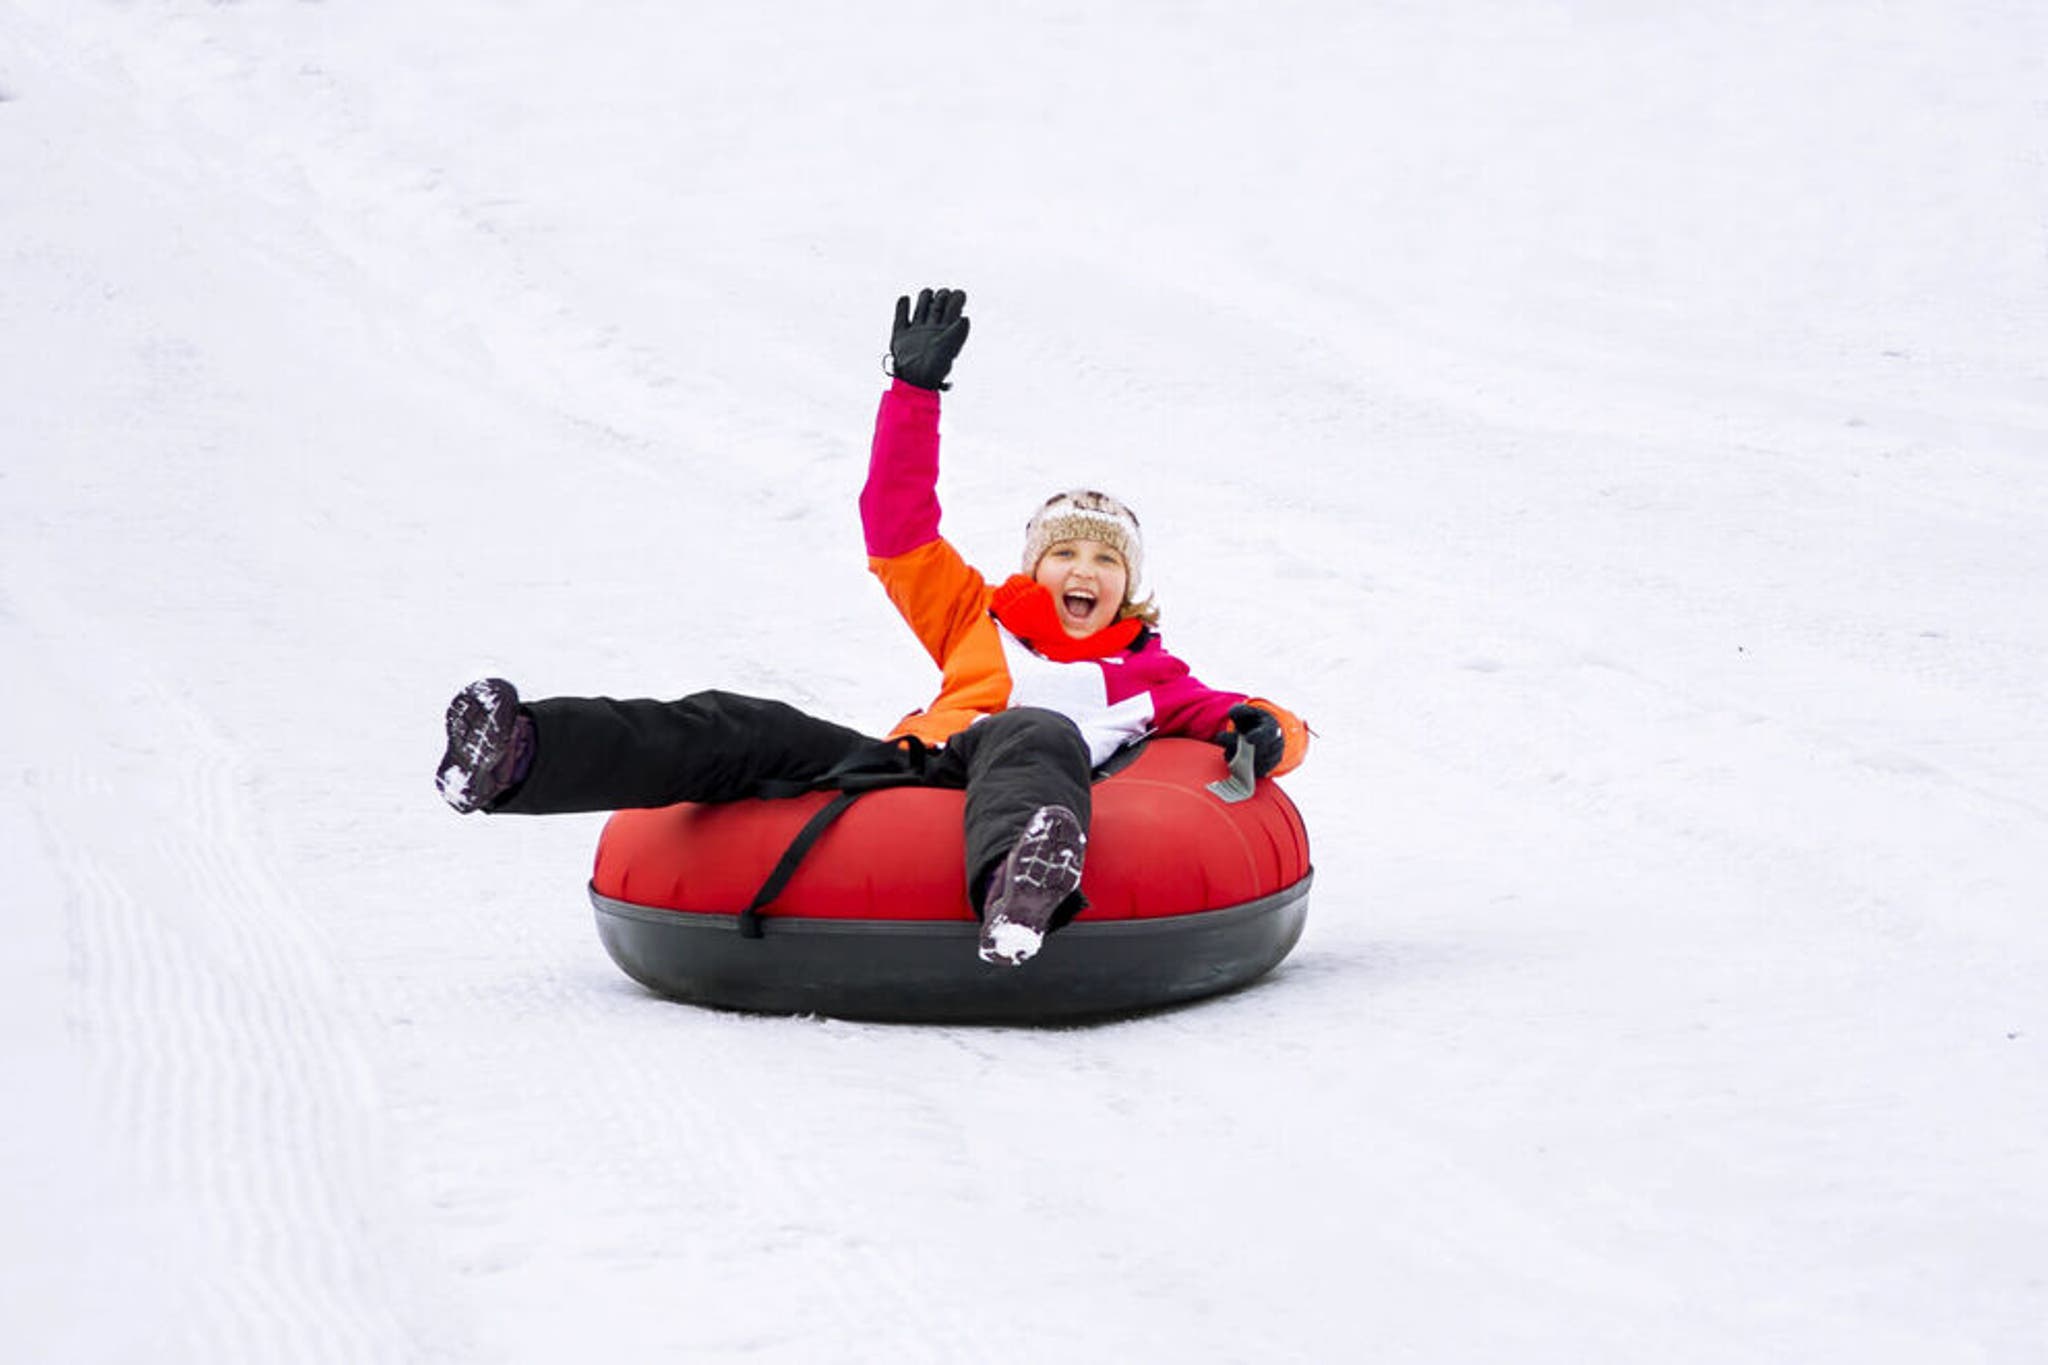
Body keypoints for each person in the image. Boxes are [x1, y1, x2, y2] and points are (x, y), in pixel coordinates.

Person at [436, 286, 1309, 966]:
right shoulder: (975, 613)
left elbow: (1247, 718)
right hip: (917, 764)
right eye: (1065, 552)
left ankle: (1020, 890)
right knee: (745, 721)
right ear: (1034, 565)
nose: (1084, 571)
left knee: (1035, 727)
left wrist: (1272, 729)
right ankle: (518, 753)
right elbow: (896, 528)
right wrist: (913, 393)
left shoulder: (1151, 676)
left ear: (1128, 585)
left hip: (1024, 769)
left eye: (1106, 559)